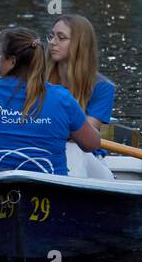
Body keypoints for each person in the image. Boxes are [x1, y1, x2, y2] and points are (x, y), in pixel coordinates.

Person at [0, 27, 102, 177]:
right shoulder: (62, 98)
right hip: (50, 190)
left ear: (12, 61)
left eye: (1, 55)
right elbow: (92, 144)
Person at [45, 14, 115, 180]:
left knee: (73, 150)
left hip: (84, 155)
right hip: (43, 149)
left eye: (61, 38)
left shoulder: (103, 87)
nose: (53, 42)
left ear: (79, 44)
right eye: (51, 36)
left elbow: (83, 133)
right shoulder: (36, 79)